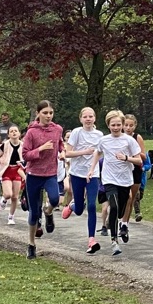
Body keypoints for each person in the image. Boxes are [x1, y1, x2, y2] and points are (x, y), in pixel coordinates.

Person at [21, 100, 64, 259]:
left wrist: (62, 152)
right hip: (34, 174)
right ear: (38, 114)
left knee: (55, 199)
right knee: (34, 213)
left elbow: (60, 144)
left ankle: (48, 212)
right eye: (45, 113)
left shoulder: (57, 129)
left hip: (50, 173)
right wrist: (40, 149)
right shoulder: (31, 132)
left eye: (51, 113)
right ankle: (31, 244)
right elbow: (25, 155)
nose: (48, 116)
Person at [97, 110, 141, 256]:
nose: (115, 128)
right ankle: (114, 241)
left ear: (122, 125)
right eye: (113, 125)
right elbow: (97, 153)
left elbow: (139, 160)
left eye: (118, 125)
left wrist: (126, 158)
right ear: (108, 125)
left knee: (120, 210)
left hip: (125, 180)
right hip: (109, 179)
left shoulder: (129, 140)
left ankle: (117, 220)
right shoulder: (104, 140)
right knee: (114, 206)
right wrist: (92, 170)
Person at [61, 107, 104, 254]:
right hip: (77, 173)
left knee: (92, 205)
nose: (88, 119)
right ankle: (73, 206)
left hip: (93, 175)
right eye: (85, 117)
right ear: (81, 119)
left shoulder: (99, 135)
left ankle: (92, 240)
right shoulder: (76, 132)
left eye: (91, 116)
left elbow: (100, 153)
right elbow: (67, 153)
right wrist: (84, 152)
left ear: (95, 118)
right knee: (80, 210)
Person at [0, 124, 26, 226]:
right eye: (11, 131)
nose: (14, 133)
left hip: (18, 171)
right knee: (8, 194)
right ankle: (4, 199)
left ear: (19, 133)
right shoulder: (5, 145)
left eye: (15, 131)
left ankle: (11, 216)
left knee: (15, 197)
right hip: (7, 170)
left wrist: (22, 163)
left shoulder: (23, 145)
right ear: (8, 134)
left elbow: (26, 157)